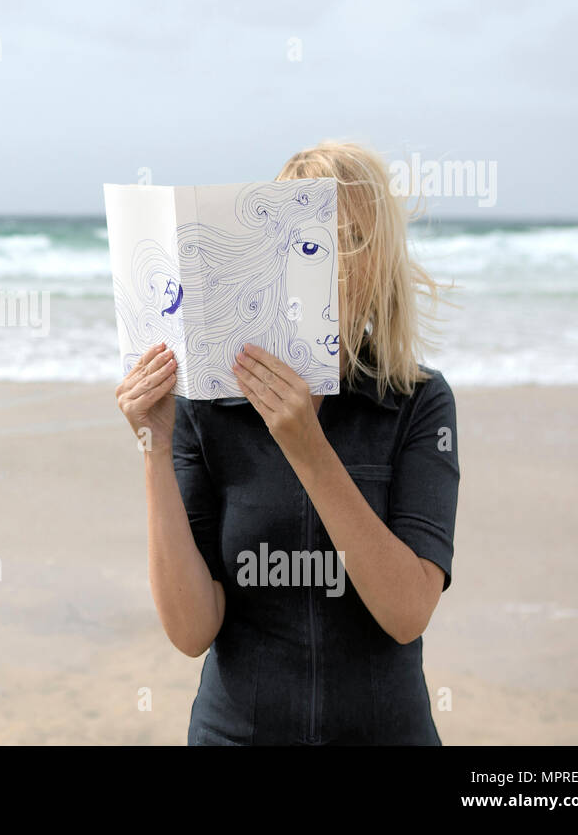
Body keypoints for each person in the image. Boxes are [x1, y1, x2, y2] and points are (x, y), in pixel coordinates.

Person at [115, 141, 458, 744]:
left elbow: (407, 614)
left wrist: (308, 448)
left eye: (347, 240)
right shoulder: (209, 406)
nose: (328, 262)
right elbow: (192, 631)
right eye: (305, 237)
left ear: (377, 259)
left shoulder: (416, 402)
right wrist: (155, 446)